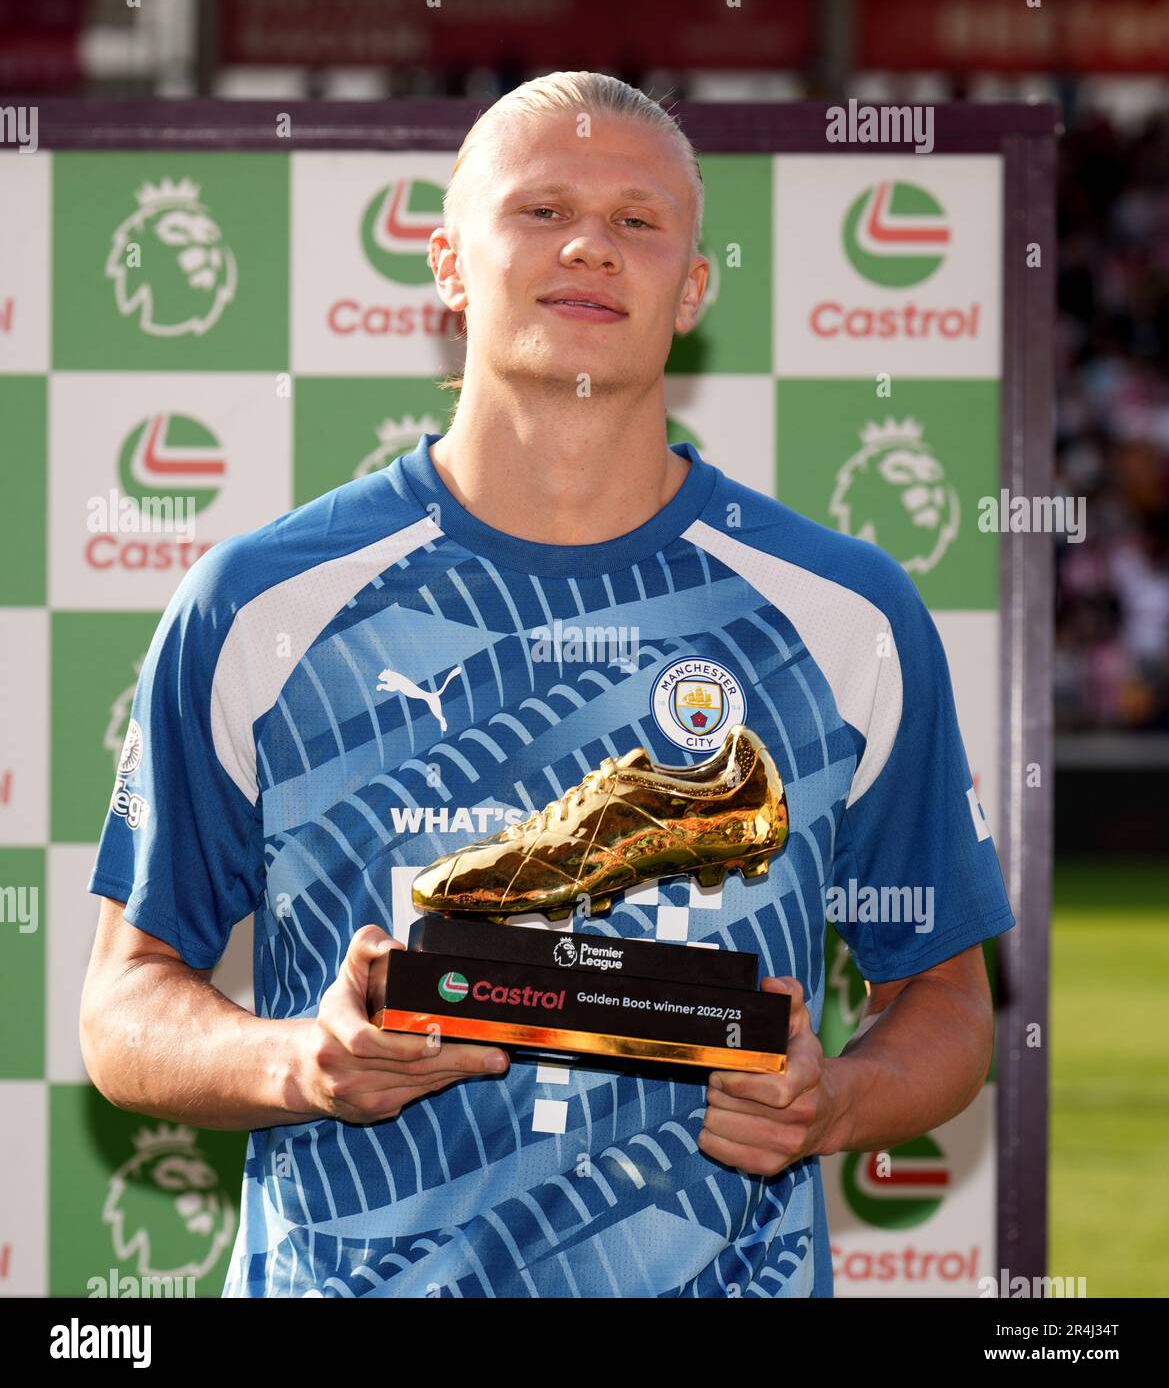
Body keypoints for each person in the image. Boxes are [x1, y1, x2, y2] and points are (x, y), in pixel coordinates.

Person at [80, 71, 1015, 1298]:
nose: (588, 243)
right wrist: (304, 1059)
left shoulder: (846, 613)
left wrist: (831, 1099)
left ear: (690, 289)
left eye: (638, 221)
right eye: (539, 210)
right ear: (447, 263)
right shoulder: (257, 603)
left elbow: (943, 997)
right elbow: (124, 1007)